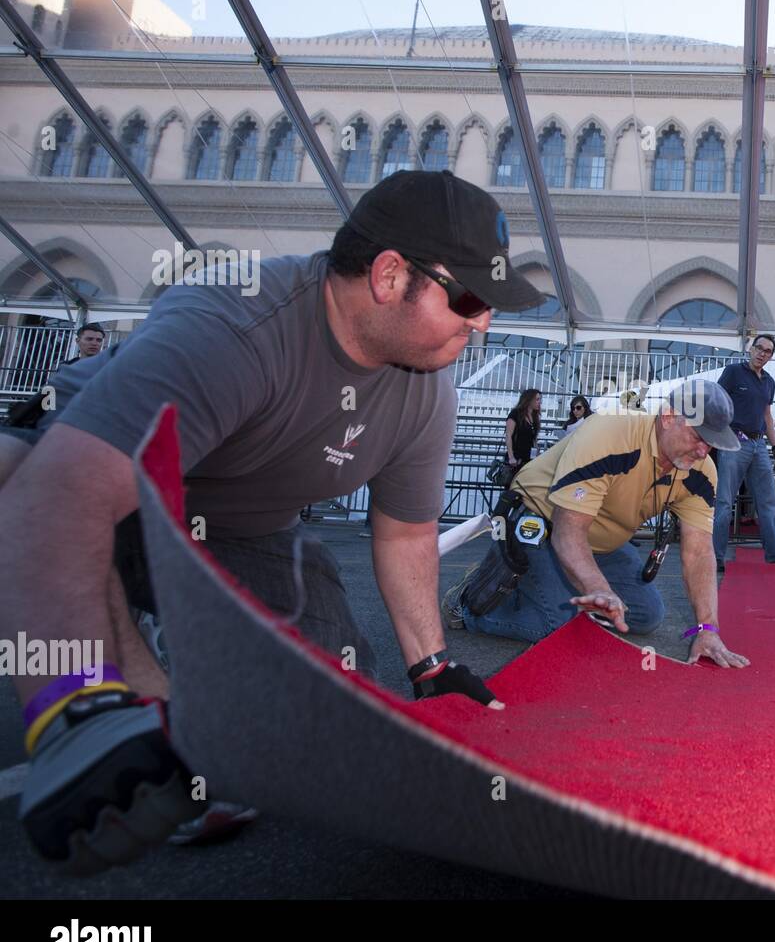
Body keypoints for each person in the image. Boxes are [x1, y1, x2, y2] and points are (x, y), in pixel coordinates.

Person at [0, 169, 546, 873]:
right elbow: (68, 489)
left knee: (328, 720)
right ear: (387, 275)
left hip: (242, 527)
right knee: (20, 478)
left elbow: (407, 533)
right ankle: (119, 685)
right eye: (471, 298)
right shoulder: (234, 323)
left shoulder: (426, 389)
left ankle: (172, 665)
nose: (484, 323)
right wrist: (70, 702)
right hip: (97, 482)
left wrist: (432, 667)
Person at [444, 379, 750, 671]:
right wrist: (599, 589)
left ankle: (546, 589)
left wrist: (707, 628)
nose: (702, 452)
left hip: (598, 542)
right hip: (542, 520)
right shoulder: (610, 434)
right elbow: (569, 531)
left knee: (645, 615)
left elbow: (698, 553)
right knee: (559, 628)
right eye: (698, 437)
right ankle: (470, 604)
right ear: (669, 417)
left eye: (710, 444)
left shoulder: (702, 471)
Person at [712, 334, 775, 574]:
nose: (762, 353)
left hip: (759, 445)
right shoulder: (733, 372)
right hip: (735, 441)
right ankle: (715, 557)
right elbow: (717, 402)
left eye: (768, 351)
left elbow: (767, 414)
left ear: (770, 356)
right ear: (751, 348)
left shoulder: (768, 381)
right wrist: (720, 434)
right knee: (725, 502)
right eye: (759, 348)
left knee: (768, 502)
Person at [503, 388, 541, 484]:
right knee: (513, 488)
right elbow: (508, 436)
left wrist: (537, 454)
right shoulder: (515, 414)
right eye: (537, 399)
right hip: (516, 458)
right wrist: (511, 457)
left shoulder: (535, 416)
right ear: (529, 400)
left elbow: (534, 438)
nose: (539, 402)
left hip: (528, 459)